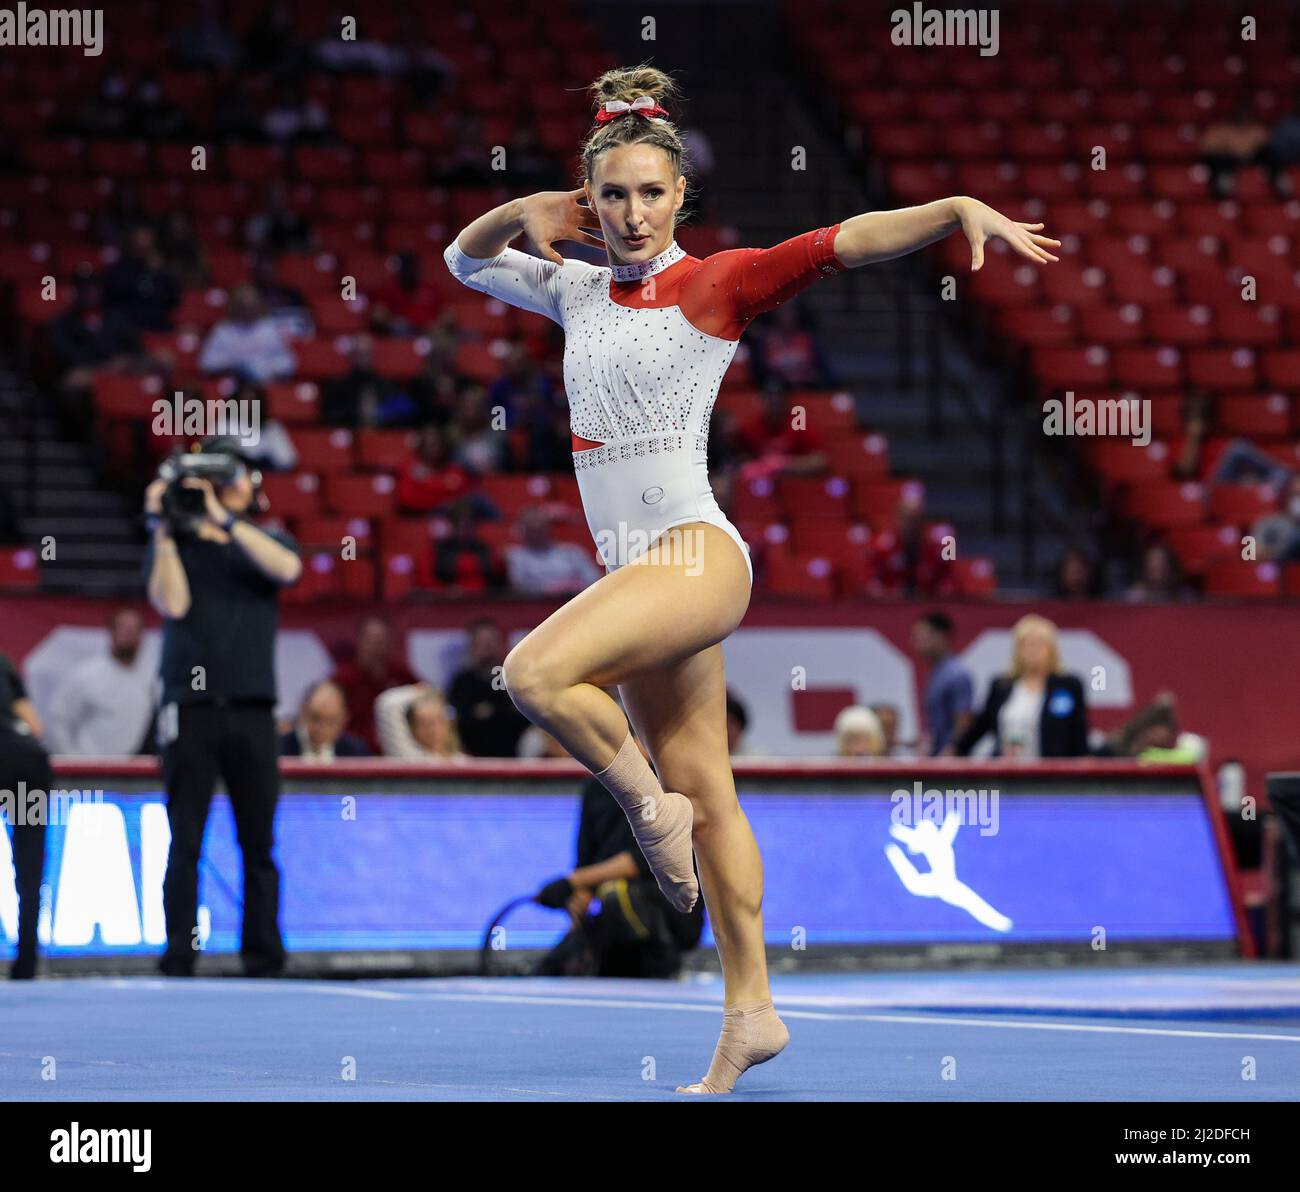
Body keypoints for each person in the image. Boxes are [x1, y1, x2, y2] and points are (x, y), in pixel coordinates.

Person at [443, 61, 1059, 1095]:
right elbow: (462, 262)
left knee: (535, 674)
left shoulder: (718, 281)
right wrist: (519, 209)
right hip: (639, 575)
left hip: (695, 553)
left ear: (681, 193)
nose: (633, 214)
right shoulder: (576, 289)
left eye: (650, 192)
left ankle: (646, 814)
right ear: (588, 202)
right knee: (712, 795)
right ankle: (749, 1010)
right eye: (612, 196)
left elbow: (844, 240)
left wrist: (952, 206)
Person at [142, 436, 302, 977]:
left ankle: (263, 954)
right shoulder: (176, 543)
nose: (237, 487)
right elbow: (173, 603)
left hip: (254, 707)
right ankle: (179, 954)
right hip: (191, 706)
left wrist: (225, 523)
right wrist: (164, 528)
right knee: (185, 837)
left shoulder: (259, 540)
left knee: (258, 840)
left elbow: (288, 569)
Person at [535, 731, 704, 978]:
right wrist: (577, 902)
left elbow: (640, 860)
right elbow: (586, 860)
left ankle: (662, 962)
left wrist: (572, 881)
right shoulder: (594, 788)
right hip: (609, 908)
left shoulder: (664, 785)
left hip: (667, 905)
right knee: (553, 966)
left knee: (617, 892)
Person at [953, 614, 1088, 759]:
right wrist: (956, 750)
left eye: (1039, 644)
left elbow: (1077, 731)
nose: (1032, 651)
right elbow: (981, 725)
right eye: (1026, 644)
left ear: (1052, 650)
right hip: (1007, 771)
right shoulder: (1001, 685)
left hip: (1053, 773)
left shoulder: (1068, 686)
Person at [0, 652, 53, 979]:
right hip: (28, 761)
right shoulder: (4, 663)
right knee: (30, 869)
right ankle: (27, 963)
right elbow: (34, 726)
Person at [45, 607, 157, 755]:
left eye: (134, 629)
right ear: (111, 632)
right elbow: (59, 719)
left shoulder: (154, 677)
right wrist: (72, 759)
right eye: (123, 628)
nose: (128, 634)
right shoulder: (86, 675)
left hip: (140, 769)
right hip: (93, 768)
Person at [330, 615, 419, 754]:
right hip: (354, 755)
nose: (376, 649)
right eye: (371, 641)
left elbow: (427, 695)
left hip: (399, 753)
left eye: (381, 641)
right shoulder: (342, 680)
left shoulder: (401, 676)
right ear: (359, 641)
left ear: (390, 644)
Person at [445, 619, 531, 758]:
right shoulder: (463, 681)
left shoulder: (509, 677)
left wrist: (489, 712)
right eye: (482, 643)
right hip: (472, 757)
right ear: (472, 646)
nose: (488, 648)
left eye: (491, 642)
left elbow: (522, 717)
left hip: (514, 756)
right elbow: (461, 720)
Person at [911, 610, 974, 756]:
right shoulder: (936, 673)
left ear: (940, 636)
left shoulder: (957, 674)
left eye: (921, 636)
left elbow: (963, 721)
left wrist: (949, 755)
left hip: (948, 767)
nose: (915, 643)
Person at [506, 508, 602, 596]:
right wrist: (549, 589)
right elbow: (519, 585)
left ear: (548, 528)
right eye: (532, 529)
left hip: (577, 600)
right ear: (523, 531)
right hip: (538, 606)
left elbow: (595, 579)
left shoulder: (572, 551)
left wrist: (576, 586)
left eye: (540, 527)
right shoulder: (517, 556)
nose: (537, 533)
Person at [279, 680, 370, 759]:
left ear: (344, 720)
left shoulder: (355, 753)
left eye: (331, 721)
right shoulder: (280, 748)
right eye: (316, 718)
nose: (322, 728)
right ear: (303, 712)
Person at [373, 683, 465, 759]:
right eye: (424, 723)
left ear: (449, 723)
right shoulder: (410, 759)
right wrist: (414, 691)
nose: (432, 729)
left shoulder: (462, 761)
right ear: (413, 729)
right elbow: (388, 705)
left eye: (438, 720)